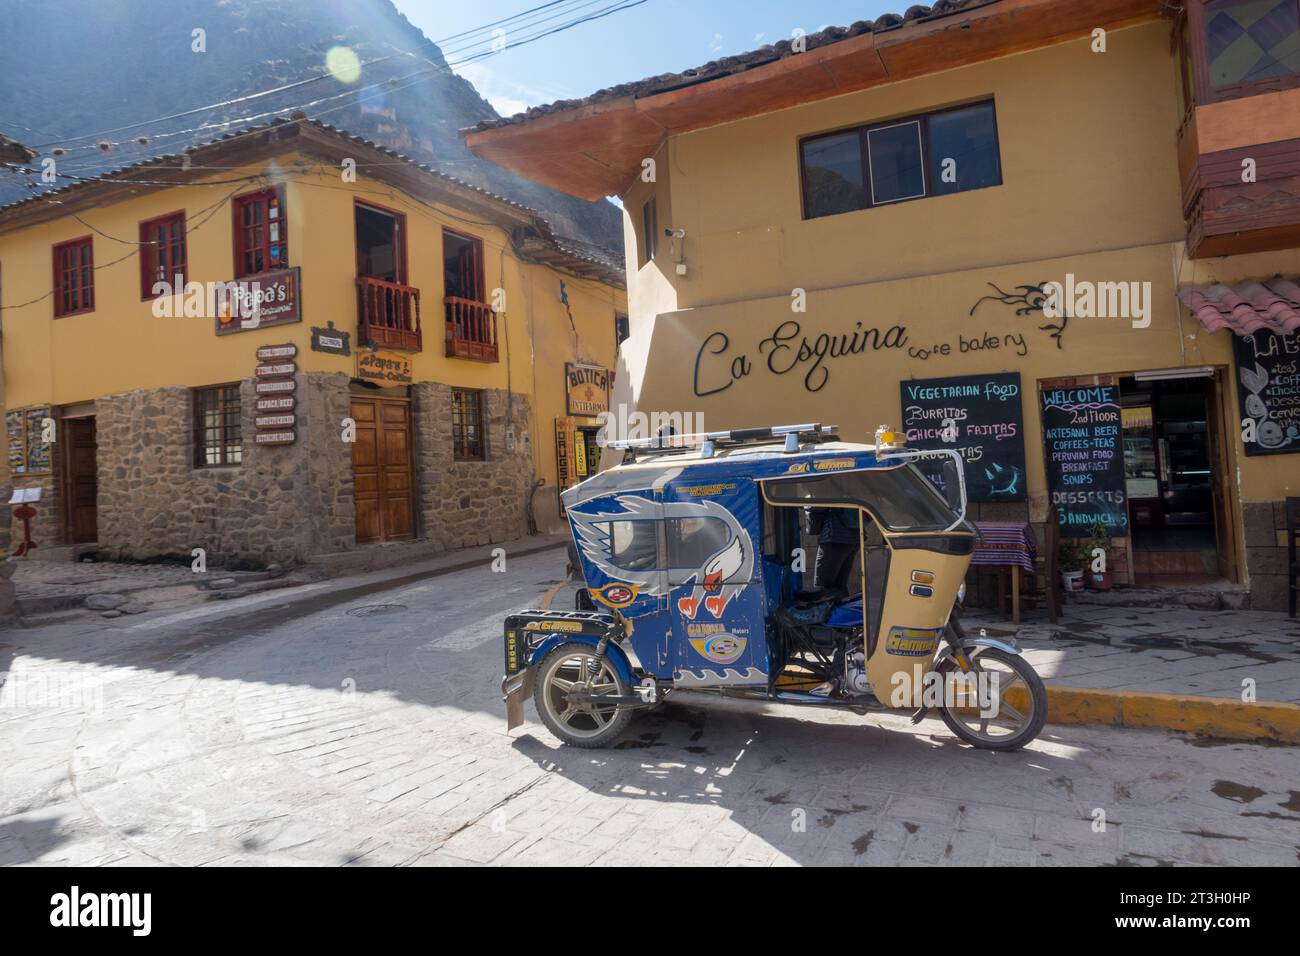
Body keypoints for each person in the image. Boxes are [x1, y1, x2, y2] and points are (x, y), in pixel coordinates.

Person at [804, 507, 860, 593]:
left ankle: (827, 605)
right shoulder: (848, 494)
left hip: (834, 538)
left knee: (823, 586)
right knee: (840, 585)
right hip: (853, 538)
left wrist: (803, 503)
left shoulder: (828, 493)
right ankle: (839, 604)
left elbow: (815, 506)